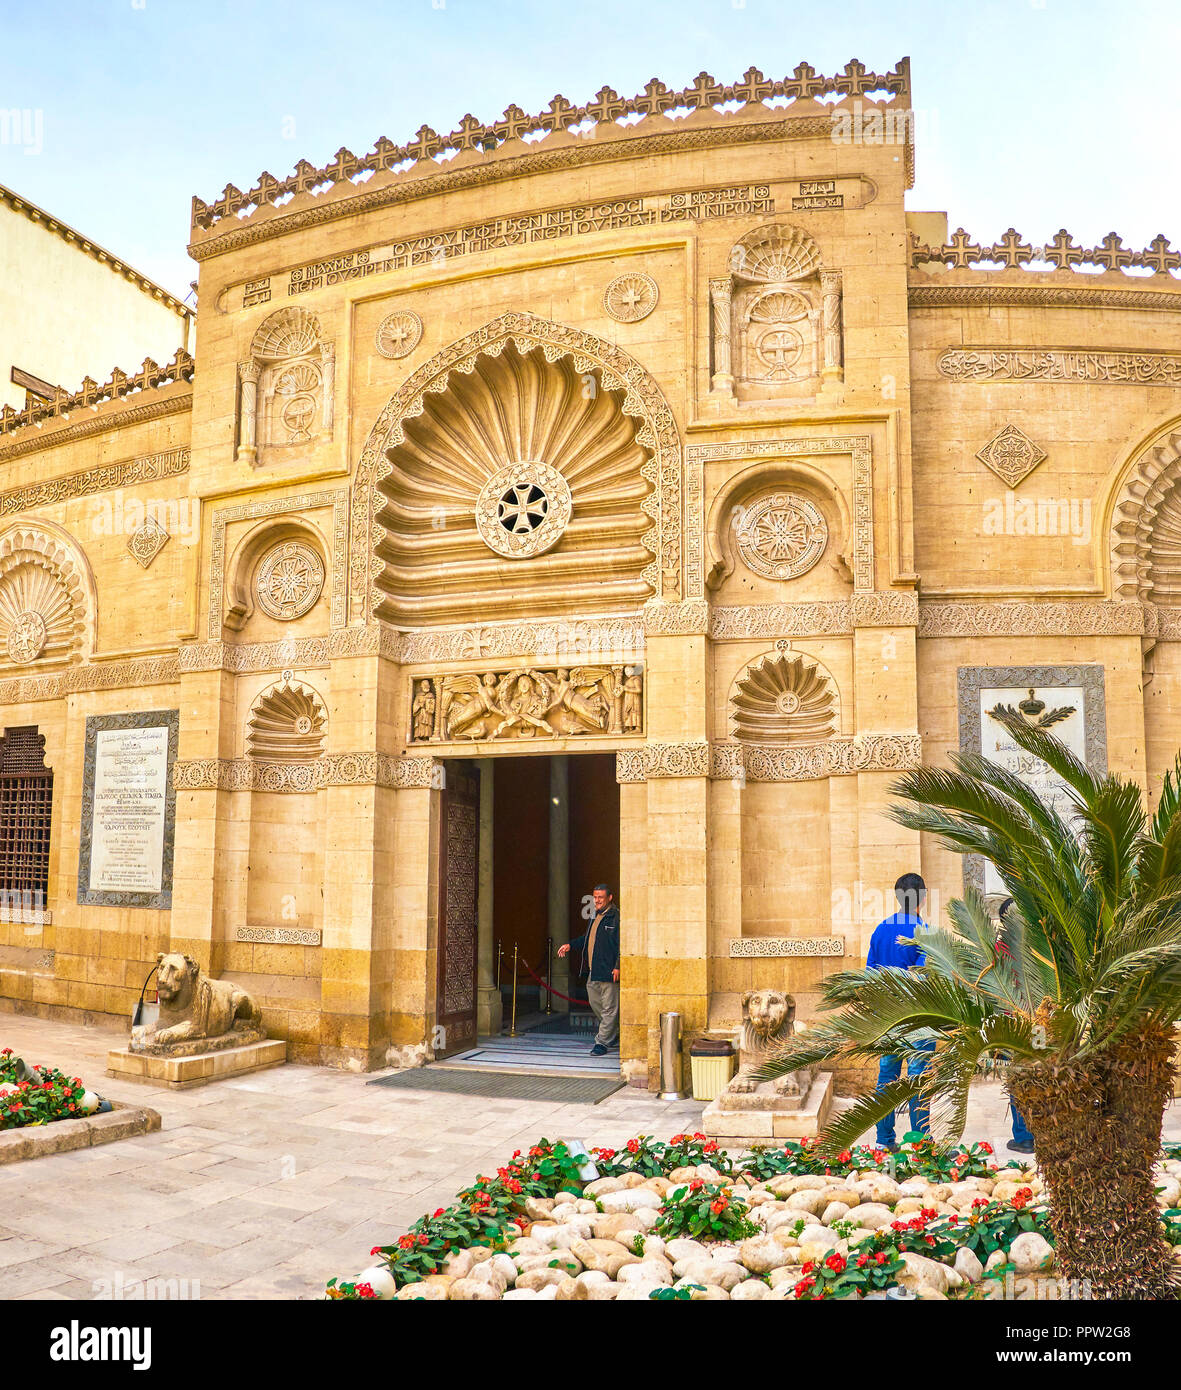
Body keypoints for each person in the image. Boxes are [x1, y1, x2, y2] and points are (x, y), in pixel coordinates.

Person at [867, 872, 936, 1150]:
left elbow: (870, 975)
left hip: (888, 1017)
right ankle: (920, 1143)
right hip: (917, 1017)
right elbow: (923, 976)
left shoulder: (881, 930)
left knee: (887, 1077)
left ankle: (884, 1141)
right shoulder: (925, 932)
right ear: (923, 897)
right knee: (918, 1079)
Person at [557, 883, 620, 1056]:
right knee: (595, 1002)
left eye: (601, 897)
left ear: (609, 898)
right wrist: (571, 945)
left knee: (609, 1008)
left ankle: (602, 1042)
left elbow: (623, 944)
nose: (597, 900)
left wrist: (617, 967)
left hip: (609, 971)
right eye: (595, 897)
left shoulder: (616, 917)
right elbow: (588, 938)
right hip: (594, 970)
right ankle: (613, 1031)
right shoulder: (595, 916)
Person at [995, 897, 1035, 1155]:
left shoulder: (1001, 947)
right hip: (1038, 1024)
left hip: (1012, 1025)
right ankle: (1041, 1132)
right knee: (1038, 1074)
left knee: (1017, 1080)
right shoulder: (1036, 945)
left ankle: (1023, 1137)